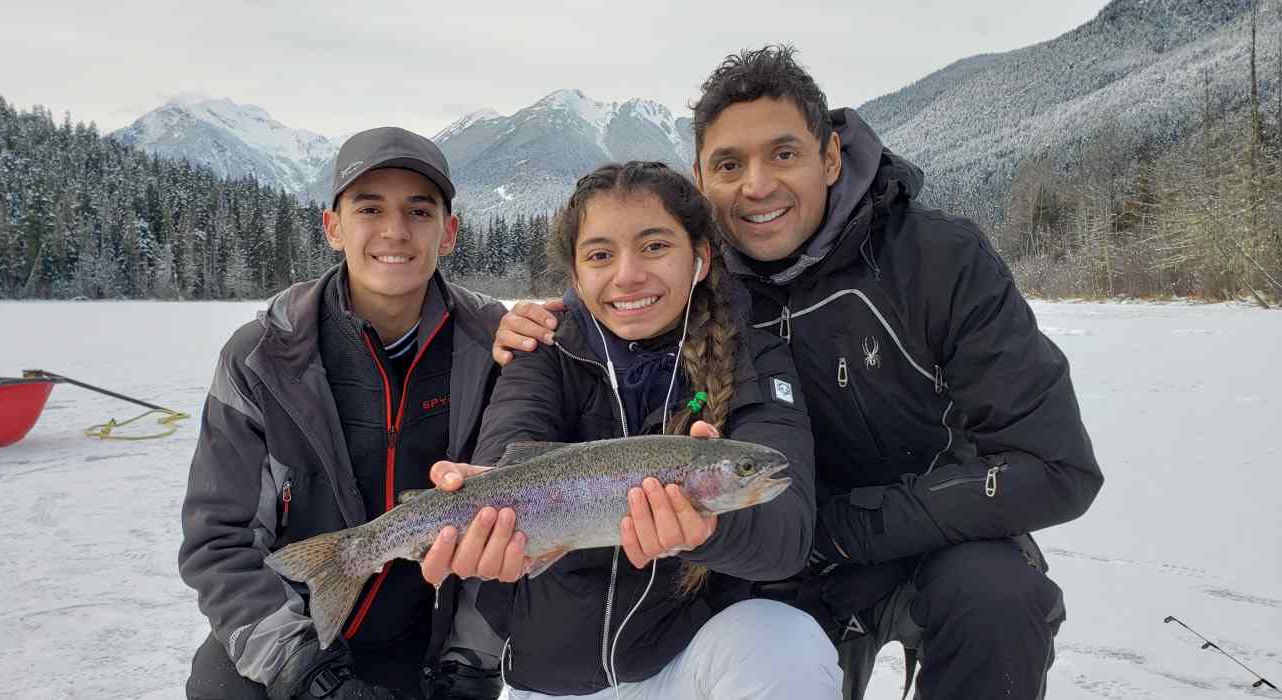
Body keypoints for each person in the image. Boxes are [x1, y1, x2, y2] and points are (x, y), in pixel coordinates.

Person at [494, 46, 1103, 699]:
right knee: (773, 648)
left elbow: (1056, 470)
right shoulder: (696, 279)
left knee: (998, 597)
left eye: (783, 154)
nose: (757, 185)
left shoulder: (936, 260)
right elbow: (618, 299)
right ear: (702, 178)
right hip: (780, 570)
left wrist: (835, 530)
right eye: (730, 164)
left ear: (831, 157)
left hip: (927, 540)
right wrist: (537, 326)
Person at [433, 161, 842, 699]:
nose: (628, 275)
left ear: (699, 259)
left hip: (685, 667)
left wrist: (709, 532)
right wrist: (480, 515)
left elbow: (786, 536)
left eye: (654, 247)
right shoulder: (541, 351)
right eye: (601, 255)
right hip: (549, 682)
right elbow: (506, 455)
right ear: (577, 278)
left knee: (786, 643)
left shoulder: (754, 358)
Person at [179, 127, 511, 700]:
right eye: (369, 208)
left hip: (430, 647)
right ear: (333, 227)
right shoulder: (261, 358)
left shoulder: (494, 350)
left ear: (449, 232)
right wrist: (310, 678)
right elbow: (219, 541)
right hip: (287, 639)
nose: (395, 231)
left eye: (419, 210)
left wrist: (471, 664)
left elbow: (519, 520)